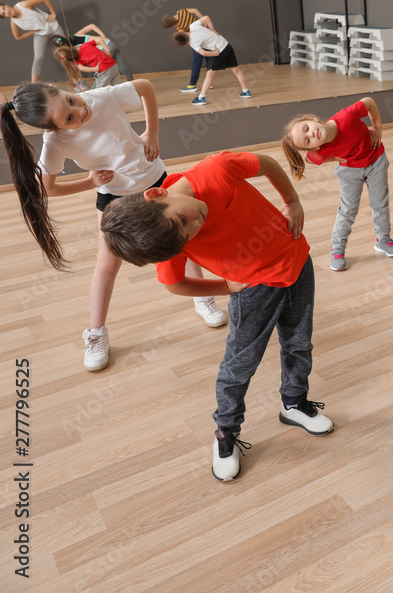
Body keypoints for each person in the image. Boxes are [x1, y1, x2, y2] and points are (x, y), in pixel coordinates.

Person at [100, 151, 333, 482]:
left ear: (157, 194)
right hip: (252, 291)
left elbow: (265, 163)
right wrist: (225, 287)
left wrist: (292, 201)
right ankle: (226, 431)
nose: (196, 225)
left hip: (297, 259)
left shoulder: (216, 169)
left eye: (183, 220)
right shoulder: (170, 238)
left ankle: (294, 404)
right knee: (239, 366)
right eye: (187, 234)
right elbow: (173, 283)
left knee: (299, 342)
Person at [0, 81, 228, 372]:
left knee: (184, 241)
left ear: (59, 88)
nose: (79, 110)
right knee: (107, 265)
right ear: (53, 129)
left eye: (71, 100)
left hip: (157, 181)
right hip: (115, 198)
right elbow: (49, 188)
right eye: (68, 118)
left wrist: (152, 131)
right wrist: (90, 183)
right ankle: (96, 333)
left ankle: (202, 296)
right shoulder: (56, 142)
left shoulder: (101, 97)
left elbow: (146, 87)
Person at [281, 97, 393, 271]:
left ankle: (383, 239)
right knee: (348, 210)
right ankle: (337, 249)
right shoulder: (320, 151)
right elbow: (310, 159)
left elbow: (369, 102)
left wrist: (377, 128)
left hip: (376, 162)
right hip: (350, 171)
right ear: (314, 147)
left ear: (312, 119)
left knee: (380, 204)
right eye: (307, 140)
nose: (311, 134)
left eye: (307, 128)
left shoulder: (346, 116)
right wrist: (335, 158)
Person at [172, 14, 251, 105]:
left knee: (209, 74)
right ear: (182, 32)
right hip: (226, 45)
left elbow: (204, 53)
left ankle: (201, 98)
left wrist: (215, 53)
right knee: (236, 70)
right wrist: (212, 29)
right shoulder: (193, 26)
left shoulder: (192, 43)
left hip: (218, 51)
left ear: (185, 43)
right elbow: (206, 17)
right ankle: (246, 91)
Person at [1, 0, 63, 83]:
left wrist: (53, 13)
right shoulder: (14, 22)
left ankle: (77, 80)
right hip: (40, 33)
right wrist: (32, 32)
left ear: (6, 5)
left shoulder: (23, 5)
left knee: (64, 51)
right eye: (4, 13)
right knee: (38, 58)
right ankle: (33, 86)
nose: (6, 11)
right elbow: (17, 37)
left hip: (53, 27)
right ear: (5, 17)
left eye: (4, 8)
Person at [52, 24, 134, 86]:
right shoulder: (77, 35)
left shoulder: (77, 50)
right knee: (125, 69)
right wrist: (103, 37)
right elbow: (92, 26)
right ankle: (134, 88)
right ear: (64, 37)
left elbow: (81, 66)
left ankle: (93, 93)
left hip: (105, 50)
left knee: (101, 75)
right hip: (110, 43)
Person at [161, 7, 207, 93]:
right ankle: (208, 84)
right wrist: (202, 21)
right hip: (204, 33)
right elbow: (195, 10)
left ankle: (192, 84)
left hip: (197, 41)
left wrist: (192, 33)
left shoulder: (178, 26)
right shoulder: (181, 12)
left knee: (197, 61)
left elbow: (186, 35)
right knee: (209, 58)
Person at [52, 34, 122, 90]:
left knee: (98, 92)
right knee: (115, 89)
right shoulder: (85, 45)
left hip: (104, 71)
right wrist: (107, 51)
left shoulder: (77, 62)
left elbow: (81, 68)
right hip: (114, 65)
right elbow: (100, 40)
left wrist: (94, 69)